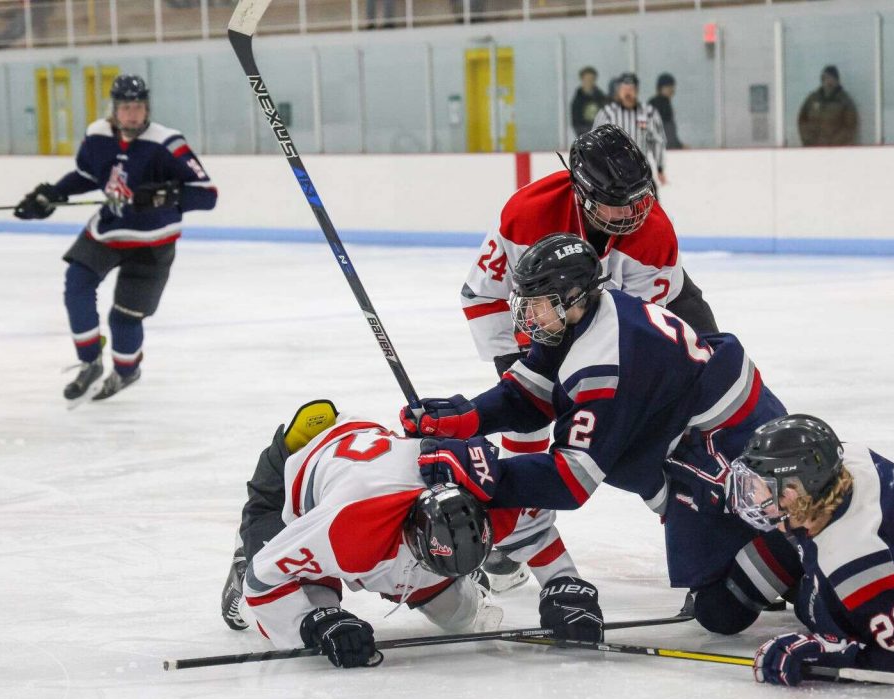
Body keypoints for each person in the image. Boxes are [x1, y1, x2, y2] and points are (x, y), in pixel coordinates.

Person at [406, 234, 802, 636]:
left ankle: (794, 548)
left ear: (573, 297)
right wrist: (469, 417)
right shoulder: (582, 316)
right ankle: (779, 551)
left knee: (720, 609)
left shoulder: (603, 364)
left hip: (723, 450)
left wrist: (488, 477)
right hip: (688, 432)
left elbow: (570, 482)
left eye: (537, 303)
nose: (528, 314)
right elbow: (529, 396)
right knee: (726, 585)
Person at [461, 124, 717, 589]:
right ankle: (517, 538)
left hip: (658, 314)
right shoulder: (528, 213)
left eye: (640, 198)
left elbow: (636, 335)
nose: (634, 213)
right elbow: (482, 296)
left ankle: (715, 551)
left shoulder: (652, 234)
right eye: (617, 202)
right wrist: (523, 375)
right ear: (580, 192)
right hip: (556, 322)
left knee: (674, 435)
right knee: (527, 417)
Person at [219, 399, 603, 666]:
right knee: (317, 599)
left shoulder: (485, 494)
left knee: (463, 617)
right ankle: (240, 559)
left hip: (380, 483)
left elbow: (534, 525)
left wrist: (563, 585)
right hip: (294, 481)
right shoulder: (350, 527)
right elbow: (265, 578)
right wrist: (316, 623)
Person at [727, 414, 894, 686]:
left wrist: (828, 653)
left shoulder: (852, 557)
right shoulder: (852, 459)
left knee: (810, 606)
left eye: (762, 486)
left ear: (797, 490)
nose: (754, 495)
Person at [13, 74, 217, 402]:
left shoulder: (168, 143)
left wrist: (167, 195)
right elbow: (85, 175)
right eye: (125, 107)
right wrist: (52, 195)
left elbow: (207, 194)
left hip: (153, 240)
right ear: (115, 109)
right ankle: (90, 359)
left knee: (123, 317)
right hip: (108, 230)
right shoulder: (97, 135)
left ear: (147, 107)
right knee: (77, 283)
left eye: (138, 106)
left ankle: (126, 371)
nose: (133, 114)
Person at [592, 73, 667, 191]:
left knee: (651, 208)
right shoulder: (607, 113)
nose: (627, 92)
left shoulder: (649, 113)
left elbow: (657, 142)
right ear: (618, 91)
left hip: (642, 174)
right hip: (614, 176)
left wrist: (660, 168)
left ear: (637, 90)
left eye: (631, 89)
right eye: (624, 89)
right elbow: (595, 142)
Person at [797, 65, 858, 147]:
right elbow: (802, 120)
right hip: (812, 148)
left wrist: (833, 144)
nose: (828, 81)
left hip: (835, 151)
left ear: (837, 81)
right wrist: (808, 139)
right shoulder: (812, 99)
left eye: (832, 78)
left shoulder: (845, 101)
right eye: (825, 78)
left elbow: (850, 127)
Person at [647, 73, 685, 150]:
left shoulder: (655, 102)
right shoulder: (661, 103)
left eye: (672, 87)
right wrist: (678, 146)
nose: (672, 90)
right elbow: (667, 131)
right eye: (669, 87)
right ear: (661, 88)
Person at [570, 66, 607, 138]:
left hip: (600, 136)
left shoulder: (601, 98)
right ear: (582, 79)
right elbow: (576, 122)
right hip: (584, 136)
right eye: (586, 79)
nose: (589, 81)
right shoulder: (577, 101)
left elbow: (606, 117)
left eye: (591, 79)